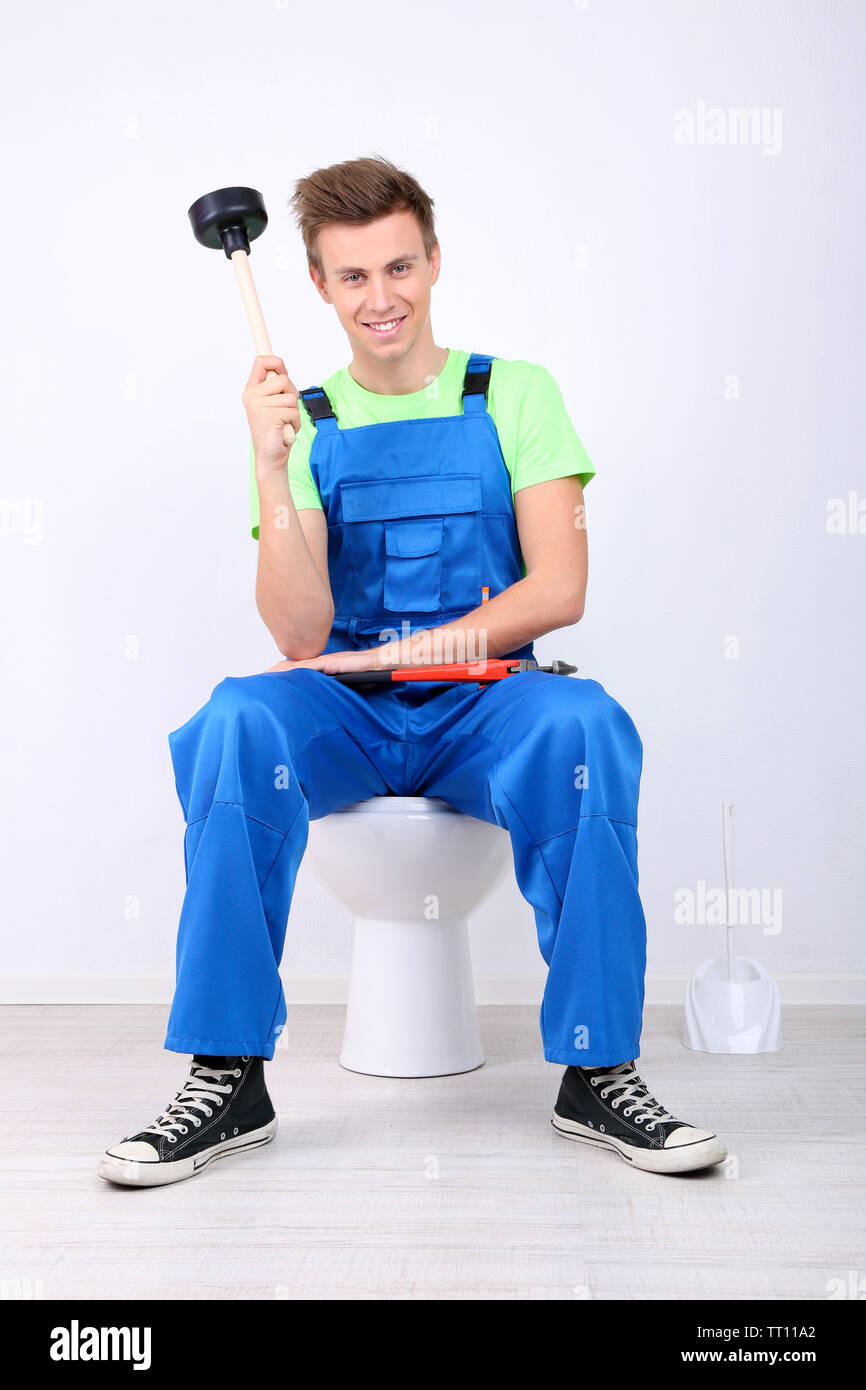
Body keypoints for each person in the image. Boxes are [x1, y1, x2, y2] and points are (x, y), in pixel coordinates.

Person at [99, 156, 726, 1187]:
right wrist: (268, 464)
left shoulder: (515, 394)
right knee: (234, 720)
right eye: (353, 278)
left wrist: (397, 652)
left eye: (398, 267)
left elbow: (558, 589)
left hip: (491, 703)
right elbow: (301, 635)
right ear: (317, 286)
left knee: (584, 723)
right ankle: (227, 1072)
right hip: (343, 709)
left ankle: (596, 1067)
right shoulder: (301, 421)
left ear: (433, 261)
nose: (380, 299)